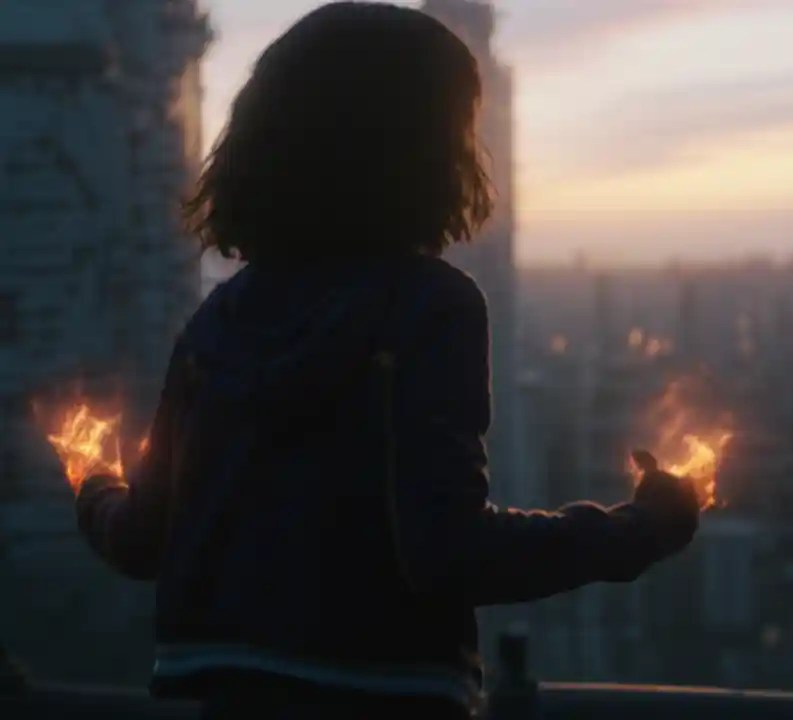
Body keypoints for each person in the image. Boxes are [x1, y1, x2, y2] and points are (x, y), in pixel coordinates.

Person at [73, 3, 701, 718]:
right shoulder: (431, 308)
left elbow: (142, 542)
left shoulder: (216, 324)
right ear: (429, 154)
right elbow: (449, 552)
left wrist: (91, 484)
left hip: (211, 693)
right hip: (387, 694)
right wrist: (641, 527)